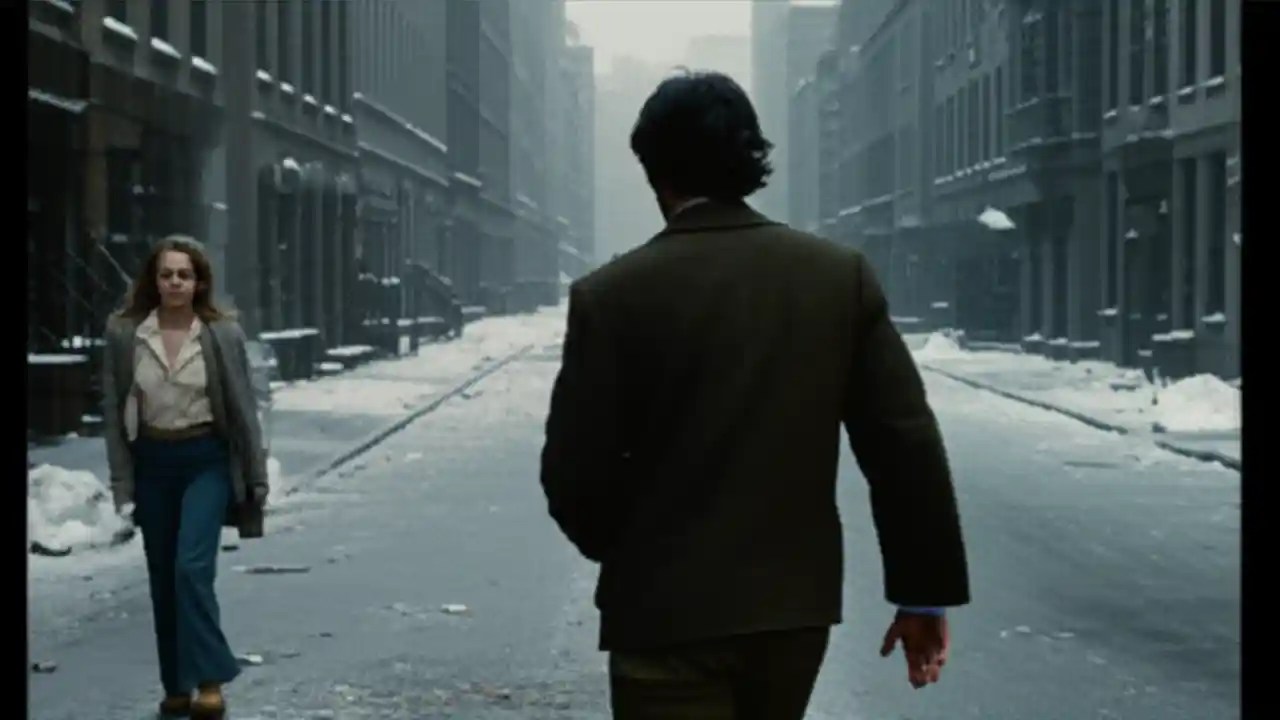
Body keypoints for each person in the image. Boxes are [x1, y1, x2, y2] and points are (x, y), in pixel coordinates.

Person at [539, 71, 970, 719]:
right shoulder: (835, 279)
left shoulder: (611, 296)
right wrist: (922, 595)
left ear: (655, 170)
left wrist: (633, 550)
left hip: (661, 612)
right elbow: (903, 448)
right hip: (789, 613)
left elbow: (572, 474)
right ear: (750, 160)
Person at [101, 235, 269, 719]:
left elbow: (242, 408)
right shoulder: (125, 333)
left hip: (205, 460)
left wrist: (255, 475)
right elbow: (113, 412)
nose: (175, 282)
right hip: (153, 460)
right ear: (153, 281)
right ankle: (176, 684)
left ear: (199, 283)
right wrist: (122, 481)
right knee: (162, 577)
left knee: (191, 569)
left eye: (185, 275)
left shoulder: (220, 334)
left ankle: (210, 679)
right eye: (167, 274)